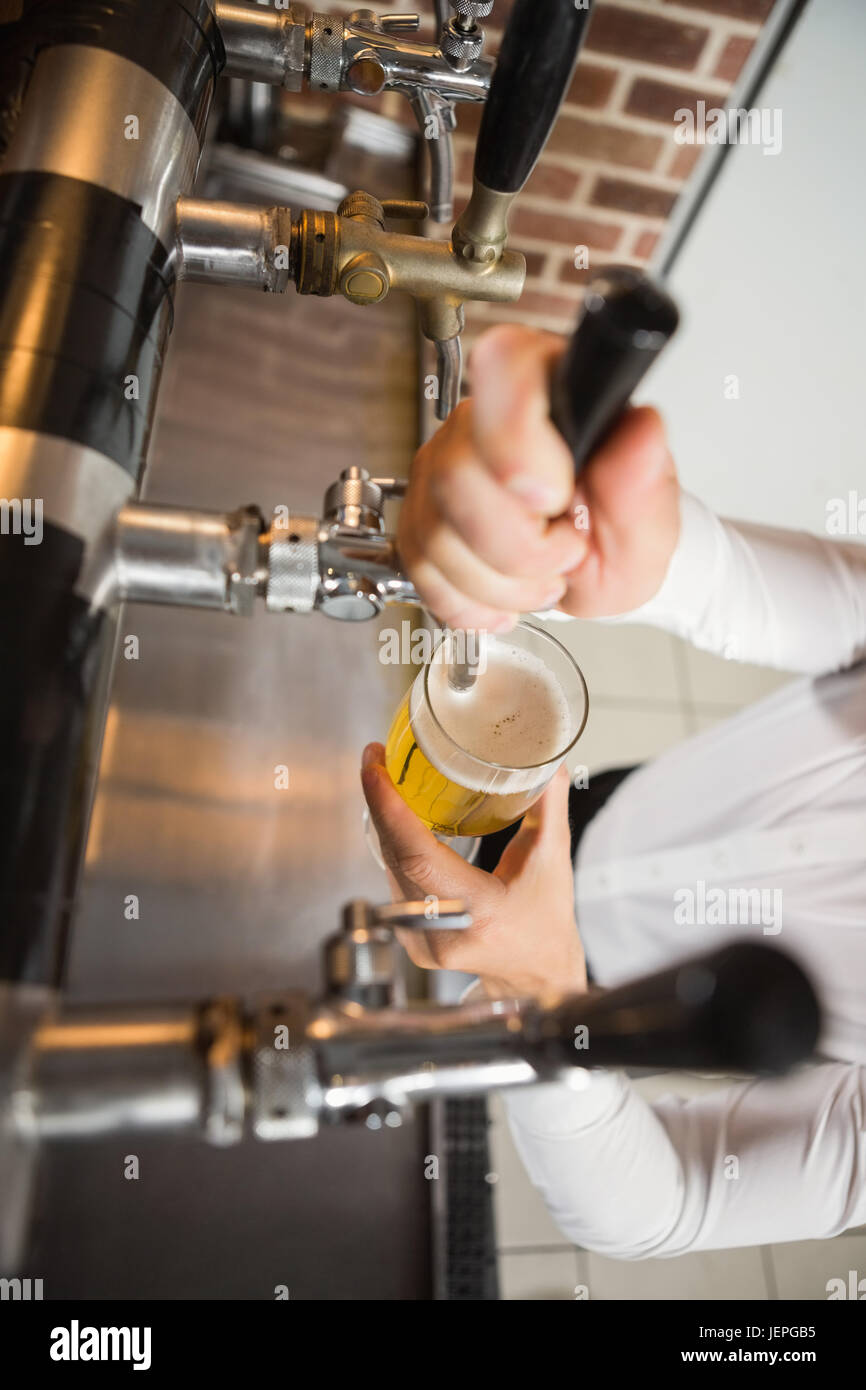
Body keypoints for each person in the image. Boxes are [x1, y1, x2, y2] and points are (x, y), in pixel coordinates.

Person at [360, 324, 866, 1257]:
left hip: (617, 1001)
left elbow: (666, 1207)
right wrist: (562, 546)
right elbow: (719, 582)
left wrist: (542, 993)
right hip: (607, 808)